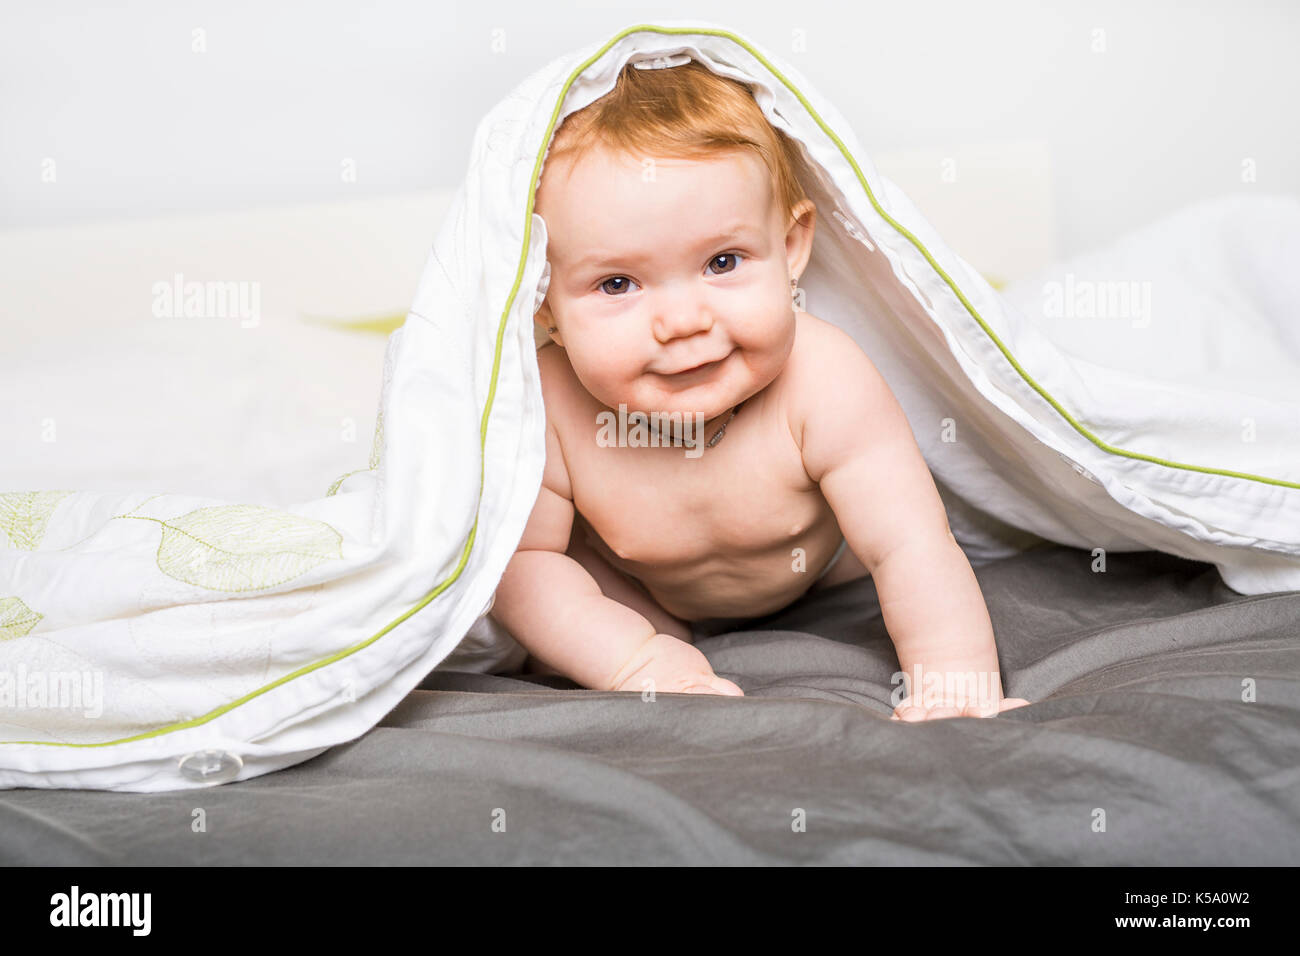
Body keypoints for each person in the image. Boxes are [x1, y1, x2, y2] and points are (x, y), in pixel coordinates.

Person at [489, 58, 1028, 721]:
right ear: (544, 304)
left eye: (723, 262)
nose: (683, 323)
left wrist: (951, 678)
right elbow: (523, 563)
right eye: (617, 284)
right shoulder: (548, 406)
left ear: (791, 246)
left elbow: (908, 542)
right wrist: (634, 658)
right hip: (649, 599)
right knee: (539, 578)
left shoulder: (823, 377)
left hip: (830, 578)